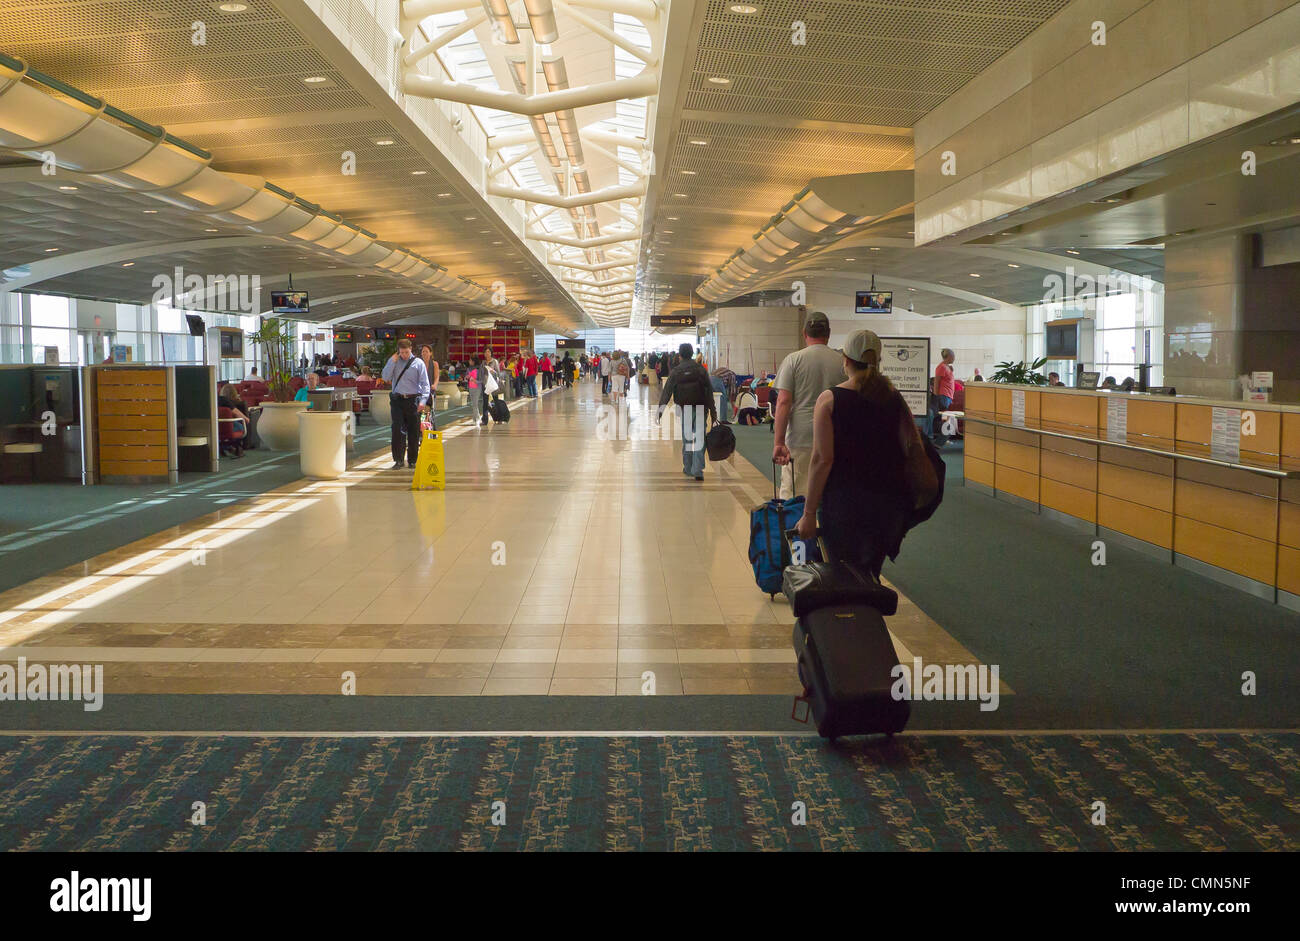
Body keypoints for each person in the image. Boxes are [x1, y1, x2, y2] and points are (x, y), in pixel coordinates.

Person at [795, 329, 918, 578]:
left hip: (844, 505)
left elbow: (822, 459)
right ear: (878, 360)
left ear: (846, 360)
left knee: (843, 576)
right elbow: (911, 447)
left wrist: (808, 513)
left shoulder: (830, 400)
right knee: (869, 574)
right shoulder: (894, 398)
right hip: (887, 505)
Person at [772, 310, 844, 499]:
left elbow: (783, 401)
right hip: (833, 437)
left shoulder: (793, 360)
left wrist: (779, 442)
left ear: (804, 334)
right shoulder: (842, 362)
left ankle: (794, 528)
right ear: (828, 334)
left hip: (800, 437)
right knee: (829, 493)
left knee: (795, 494)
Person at [657, 342, 718, 481]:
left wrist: (660, 410)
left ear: (680, 355)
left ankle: (688, 467)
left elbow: (667, 391)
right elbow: (709, 391)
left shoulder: (676, 371)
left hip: (686, 408)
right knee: (700, 438)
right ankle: (698, 470)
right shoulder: (701, 370)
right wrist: (713, 412)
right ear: (692, 354)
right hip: (701, 407)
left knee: (688, 438)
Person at [382, 338, 431, 469]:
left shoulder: (418, 363)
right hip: (397, 400)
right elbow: (385, 377)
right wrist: (392, 362)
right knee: (397, 430)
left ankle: (412, 460)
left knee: (413, 431)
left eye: (406, 352)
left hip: (413, 400)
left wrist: (423, 400)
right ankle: (398, 460)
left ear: (411, 350)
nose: (404, 355)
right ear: (398, 351)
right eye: (402, 352)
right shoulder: (394, 361)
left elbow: (425, 384)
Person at [930, 347, 956, 448]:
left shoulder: (946, 367)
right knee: (947, 421)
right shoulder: (941, 367)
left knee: (943, 420)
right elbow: (936, 383)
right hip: (942, 397)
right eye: (953, 355)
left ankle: (937, 442)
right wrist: (936, 397)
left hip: (946, 397)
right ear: (949, 356)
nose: (954, 357)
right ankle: (938, 442)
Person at [420, 345, 441, 429]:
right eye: (423, 351)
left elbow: (436, 377)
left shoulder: (434, 364)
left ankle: (427, 428)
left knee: (428, 411)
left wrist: (435, 385)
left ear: (430, 353)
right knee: (422, 412)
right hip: (420, 392)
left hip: (430, 392)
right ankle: (422, 428)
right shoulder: (419, 363)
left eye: (426, 351)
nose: (424, 353)